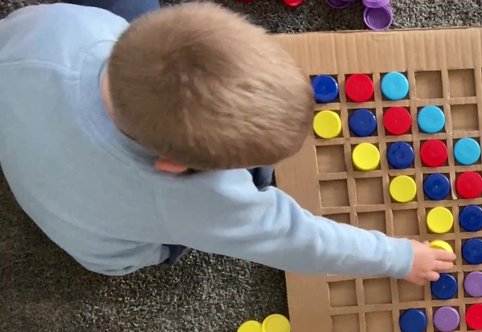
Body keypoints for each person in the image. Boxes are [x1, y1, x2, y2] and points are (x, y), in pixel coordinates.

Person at [0, 1, 456, 283]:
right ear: (176, 166)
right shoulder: (187, 196)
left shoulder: (64, 24)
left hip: (31, 102)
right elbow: (295, 239)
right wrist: (399, 258)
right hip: (110, 246)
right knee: (235, 200)